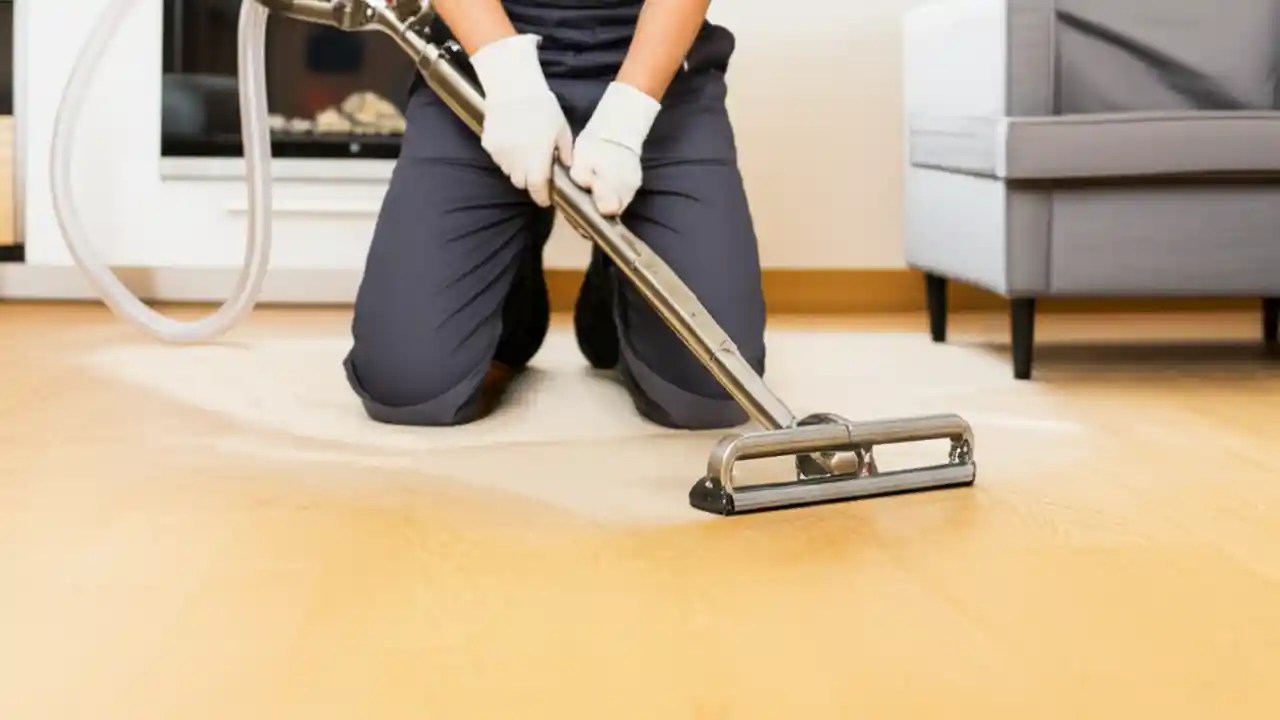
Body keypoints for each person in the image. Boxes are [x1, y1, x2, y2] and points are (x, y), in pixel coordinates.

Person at [343, 0, 767, 430]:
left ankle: (615, 284)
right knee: (406, 384)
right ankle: (511, 292)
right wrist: (509, 77)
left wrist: (628, 116)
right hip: (481, 62)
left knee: (712, 391)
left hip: (650, 62)